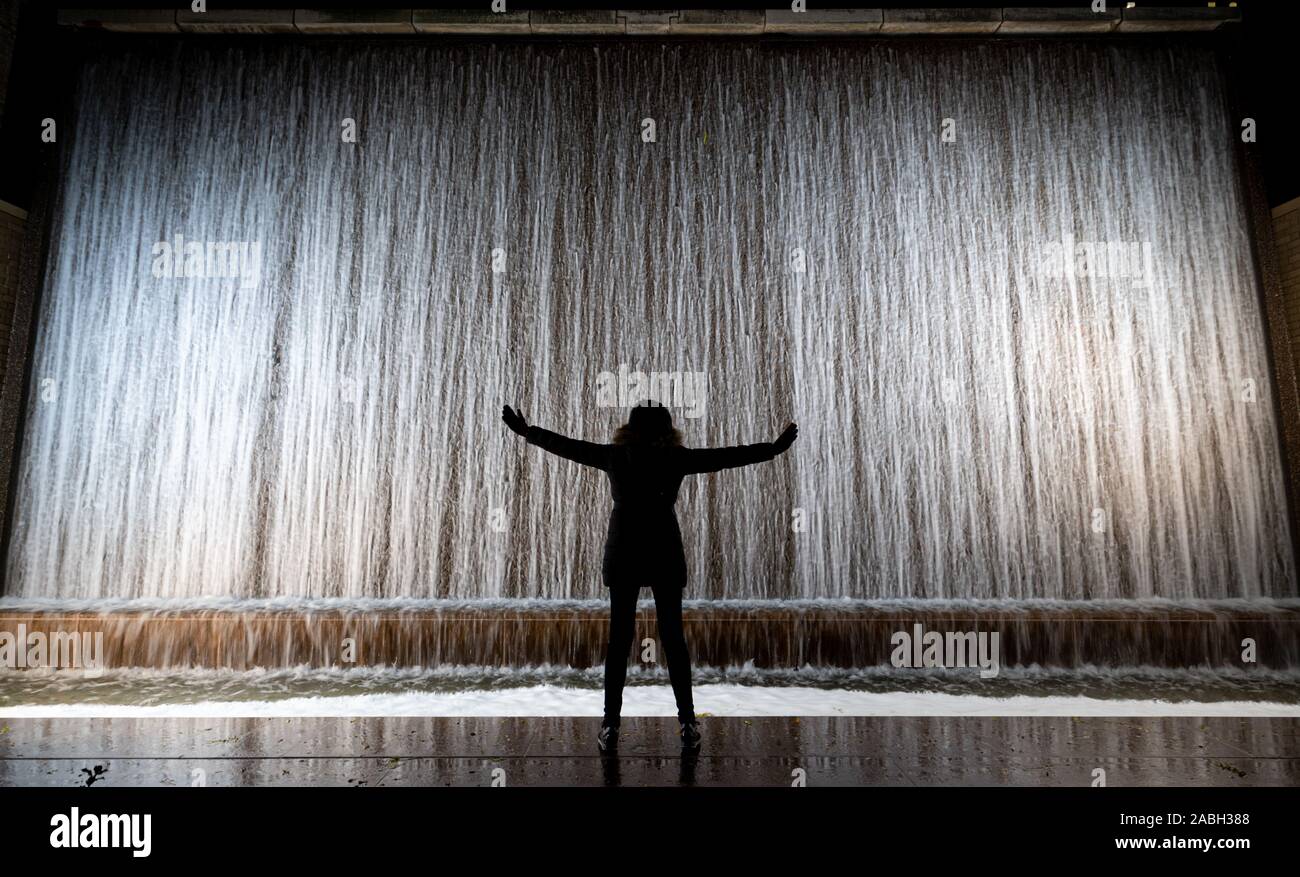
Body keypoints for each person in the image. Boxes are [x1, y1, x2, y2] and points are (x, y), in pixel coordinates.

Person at [501, 400, 798, 752]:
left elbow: (567, 447)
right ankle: (687, 724)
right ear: (668, 429)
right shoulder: (676, 458)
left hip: (624, 550)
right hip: (664, 551)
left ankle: (610, 726)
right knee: (673, 639)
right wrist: (774, 450)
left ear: (630, 428)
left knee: (618, 641)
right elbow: (726, 457)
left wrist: (527, 432)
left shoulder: (616, 456)